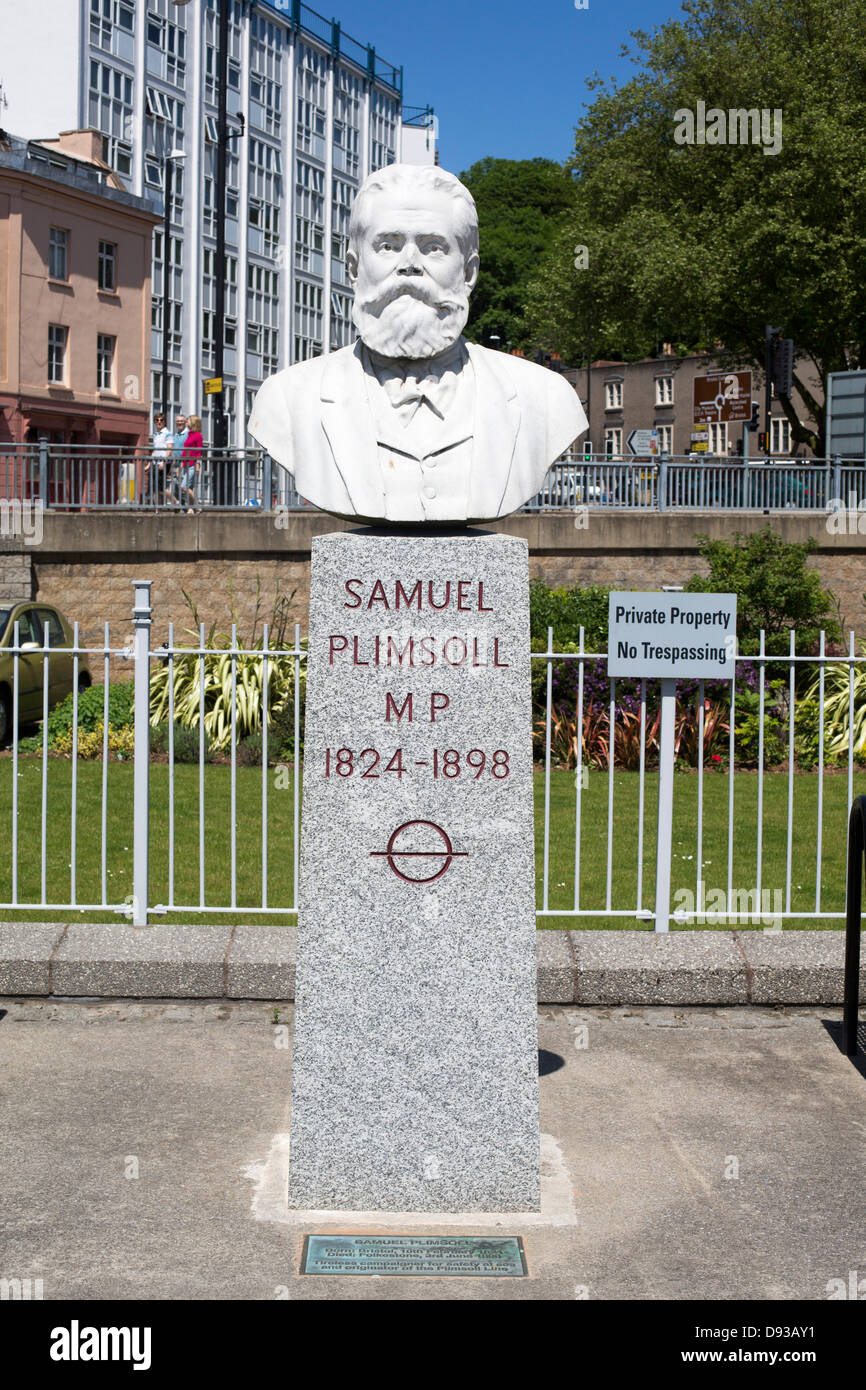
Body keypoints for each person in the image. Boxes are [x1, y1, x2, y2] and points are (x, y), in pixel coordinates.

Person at [248, 163, 586, 524]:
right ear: (354, 267)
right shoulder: (287, 397)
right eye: (388, 246)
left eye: (433, 247)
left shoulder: (544, 396)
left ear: (468, 272)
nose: (409, 265)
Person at [146, 412, 173, 505]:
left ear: (164, 422)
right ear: (154, 422)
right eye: (157, 420)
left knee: (160, 488)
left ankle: (175, 502)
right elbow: (155, 451)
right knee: (153, 487)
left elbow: (169, 449)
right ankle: (157, 508)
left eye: (161, 420)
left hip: (163, 463)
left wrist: (163, 462)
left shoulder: (167, 433)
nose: (159, 422)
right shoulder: (156, 434)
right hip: (155, 463)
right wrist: (149, 464)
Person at [179, 415, 203, 513]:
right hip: (186, 463)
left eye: (188, 421)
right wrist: (181, 464)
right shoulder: (189, 434)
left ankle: (197, 505)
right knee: (189, 488)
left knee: (184, 486)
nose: (186, 422)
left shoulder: (198, 435)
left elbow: (199, 451)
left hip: (192, 464)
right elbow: (185, 450)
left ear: (193, 422)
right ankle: (191, 508)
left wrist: (197, 464)